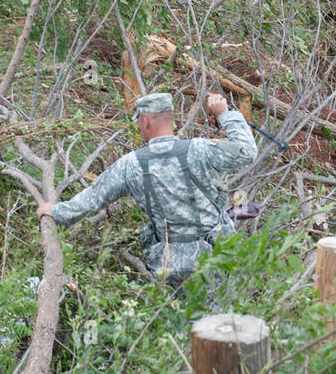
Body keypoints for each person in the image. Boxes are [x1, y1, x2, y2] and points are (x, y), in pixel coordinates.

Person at [37, 92, 257, 287]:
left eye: (139, 122)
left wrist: (56, 212)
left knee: (181, 321)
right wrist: (223, 113)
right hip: (214, 257)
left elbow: (93, 198)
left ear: (145, 120)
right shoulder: (199, 150)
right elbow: (247, 151)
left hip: (171, 264)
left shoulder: (131, 164)